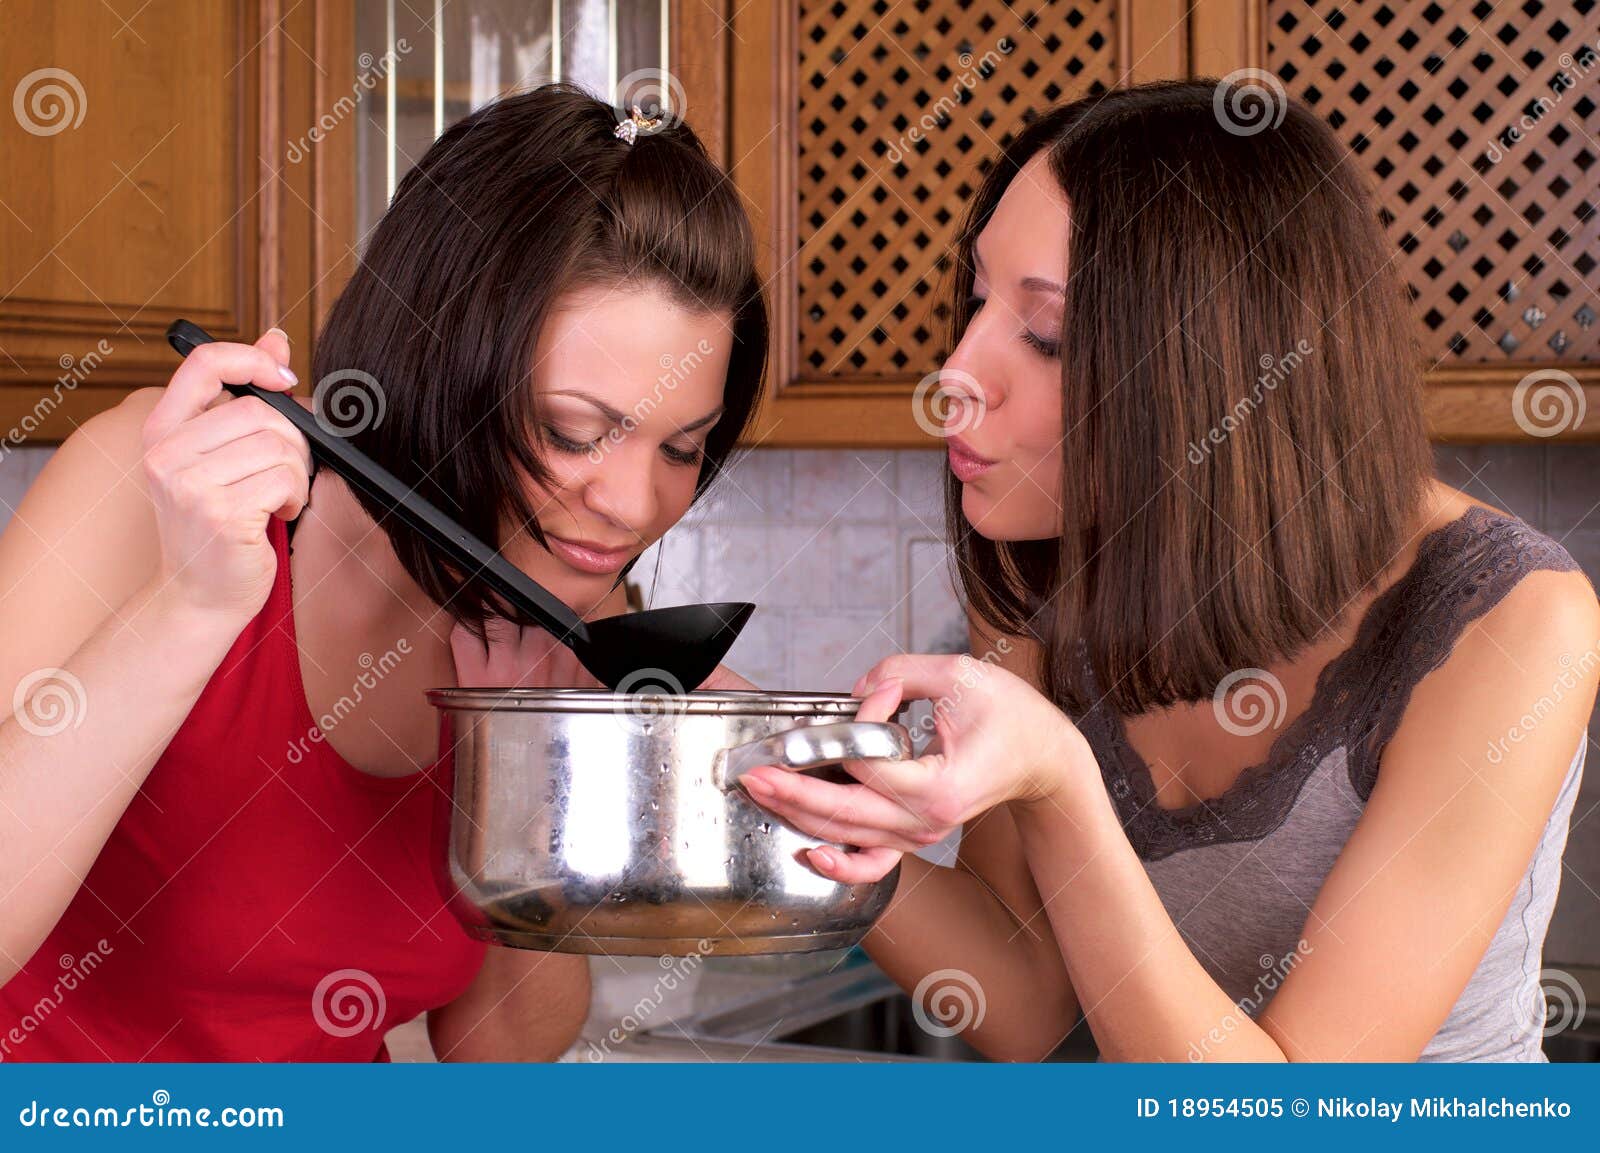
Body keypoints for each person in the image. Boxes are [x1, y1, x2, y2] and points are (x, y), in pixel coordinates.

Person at [738, 79, 1600, 1062]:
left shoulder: (1509, 618)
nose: (955, 374)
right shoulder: (1050, 574)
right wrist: (770, 769)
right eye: (977, 302)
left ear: (1213, 369)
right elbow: (1026, 1005)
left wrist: (1057, 779)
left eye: (1046, 334)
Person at [0, 85, 766, 1061]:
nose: (632, 503)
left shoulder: (574, 621)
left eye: (681, 447)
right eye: (575, 431)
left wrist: (520, 791)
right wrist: (191, 605)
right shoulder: (154, 488)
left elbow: (497, 1050)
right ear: (438, 358)